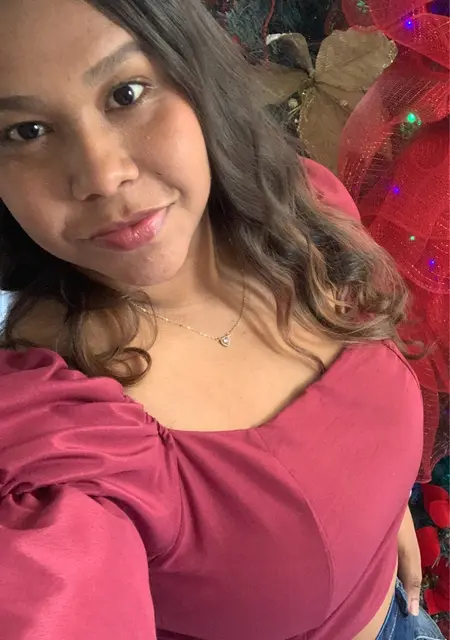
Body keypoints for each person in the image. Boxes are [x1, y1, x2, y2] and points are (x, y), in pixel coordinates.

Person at [0, 1, 444, 638]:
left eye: (126, 94)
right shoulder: (55, 438)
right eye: (26, 131)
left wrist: (378, 511)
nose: (103, 175)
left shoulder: (301, 207)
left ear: (194, 76)